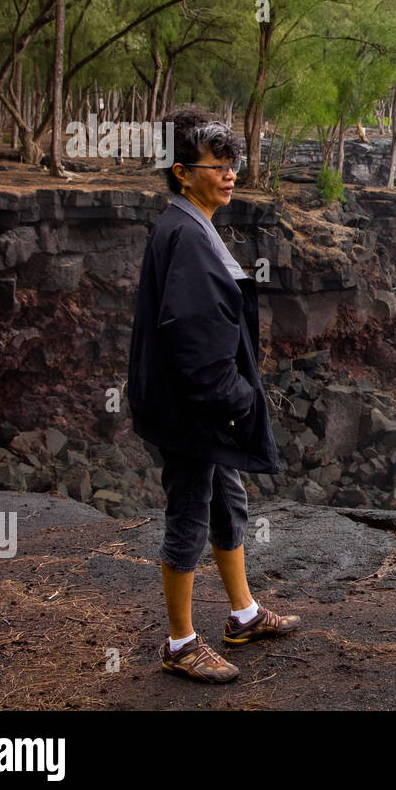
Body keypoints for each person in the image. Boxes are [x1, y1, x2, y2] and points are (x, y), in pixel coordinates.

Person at [127, 105, 300, 683]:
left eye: (233, 163)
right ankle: (179, 643)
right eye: (218, 164)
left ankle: (243, 614)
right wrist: (238, 399)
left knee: (230, 501)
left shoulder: (191, 223)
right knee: (189, 514)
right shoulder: (185, 233)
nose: (231, 174)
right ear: (182, 171)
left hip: (202, 407)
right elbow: (192, 336)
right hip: (193, 411)